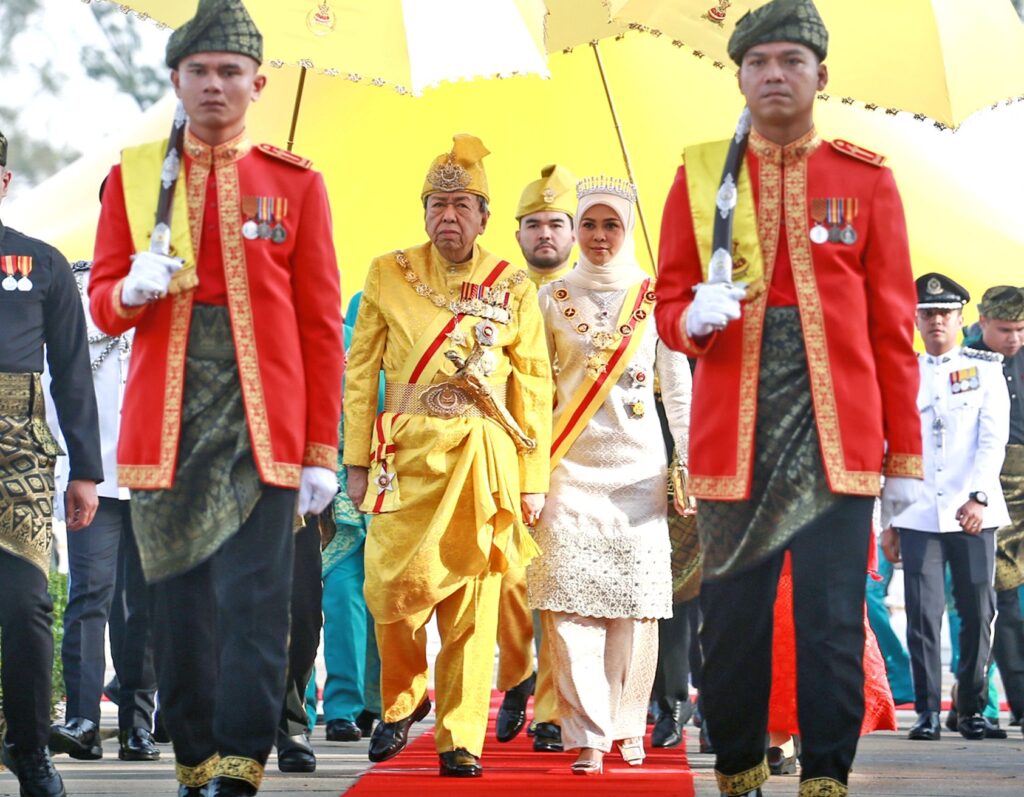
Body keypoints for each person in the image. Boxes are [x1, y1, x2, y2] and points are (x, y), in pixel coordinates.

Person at [653, 2, 923, 795]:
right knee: (733, 620)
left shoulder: (866, 179)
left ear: (820, 75)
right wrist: (691, 319)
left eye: (791, 61)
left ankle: (827, 776)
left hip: (837, 439)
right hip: (734, 438)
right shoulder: (701, 176)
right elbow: (666, 303)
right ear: (739, 75)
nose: (775, 74)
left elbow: (893, 328)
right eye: (759, 62)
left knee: (832, 619)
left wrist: (905, 457)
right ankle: (739, 769)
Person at [88, 1, 344, 794]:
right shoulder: (134, 179)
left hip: (262, 427)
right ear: (175, 79)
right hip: (165, 426)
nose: (213, 85)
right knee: (175, 610)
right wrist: (130, 289)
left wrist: (321, 451)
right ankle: (194, 757)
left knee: (257, 604)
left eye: (230, 72)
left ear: (258, 84)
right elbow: (101, 305)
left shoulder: (295, 184)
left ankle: (241, 762)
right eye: (197, 71)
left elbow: (320, 325)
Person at [343, 133, 551, 778]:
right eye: (438, 204)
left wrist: (533, 477)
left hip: (481, 455)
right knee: (389, 591)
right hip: (402, 455)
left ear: (484, 218)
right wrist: (355, 463)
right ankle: (403, 701)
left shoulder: (513, 284)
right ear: (424, 212)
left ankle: (461, 736)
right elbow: (360, 372)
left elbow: (533, 383)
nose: (449, 216)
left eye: (462, 205)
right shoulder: (387, 271)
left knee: (472, 599)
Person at [527, 176, 692, 775]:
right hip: (567, 468)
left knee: (632, 608)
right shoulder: (551, 296)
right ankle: (589, 735)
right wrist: (530, 473)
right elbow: (534, 388)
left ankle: (625, 722)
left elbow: (677, 386)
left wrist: (687, 461)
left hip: (637, 474)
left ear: (626, 230)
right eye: (589, 225)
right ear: (576, 229)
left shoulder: (654, 296)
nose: (599, 236)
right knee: (569, 609)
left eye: (611, 225)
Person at [0, 129, 102, 797]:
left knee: (27, 604)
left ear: (5, 181)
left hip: (20, 455)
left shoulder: (40, 263)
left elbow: (71, 369)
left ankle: (30, 746)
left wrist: (85, 470)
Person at [881, 273, 1009, 742]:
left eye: (945, 313)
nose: (937, 321)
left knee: (977, 612)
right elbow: (889, 445)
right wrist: (889, 520)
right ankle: (928, 711)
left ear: (960, 319)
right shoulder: (900, 371)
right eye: (928, 314)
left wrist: (979, 496)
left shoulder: (984, 369)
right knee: (922, 615)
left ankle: (971, 709)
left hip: (972, 508)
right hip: (917, 512)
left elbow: (992, 440)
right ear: (915, 320)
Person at [47, 256, 159, 765]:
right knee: (88, 597)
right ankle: (83, 721)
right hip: (92, 479)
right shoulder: (75, 294)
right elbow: (56, 397)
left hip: (153, 478)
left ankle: (138, 726)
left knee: (143, 608)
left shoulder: (164, 294)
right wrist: (72, 472)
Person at [494, 164, 578, 749]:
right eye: (533, 224)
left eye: (555, 223)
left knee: (557, 587)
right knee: (506, 581)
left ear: (572, 232)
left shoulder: (595, 295)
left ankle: (550, 711)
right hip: (503, 454)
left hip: (571, 457)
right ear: (517, 233)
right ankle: (517, 674)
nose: (544, 233)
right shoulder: (495, 290)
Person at [964, 285, 1024, 737]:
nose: (1014, 338)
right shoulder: (962, 361)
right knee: (993, 600)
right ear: (983, 322)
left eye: (1021, 329)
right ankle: (984, 704)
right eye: (1005, 329)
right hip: (987, 487)